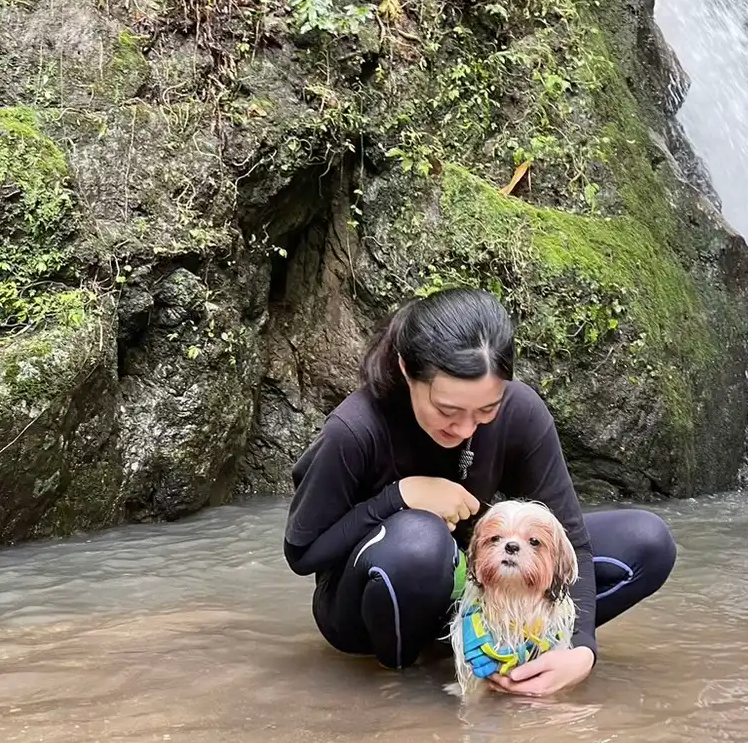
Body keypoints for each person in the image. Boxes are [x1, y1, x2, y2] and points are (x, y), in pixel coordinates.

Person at [283, 287, 677, 696]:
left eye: (486, 410)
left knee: (646, 542)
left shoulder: (521, 412)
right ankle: (408, 689)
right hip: (369, 606)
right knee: (420, 540)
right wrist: (399, 497)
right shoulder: (353, 430)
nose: (466, 428)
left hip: (473, 587)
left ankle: (508, 648)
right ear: (406, 370)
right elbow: (302, 553)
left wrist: (581, 648)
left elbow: (571, 540)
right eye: (447, 410)